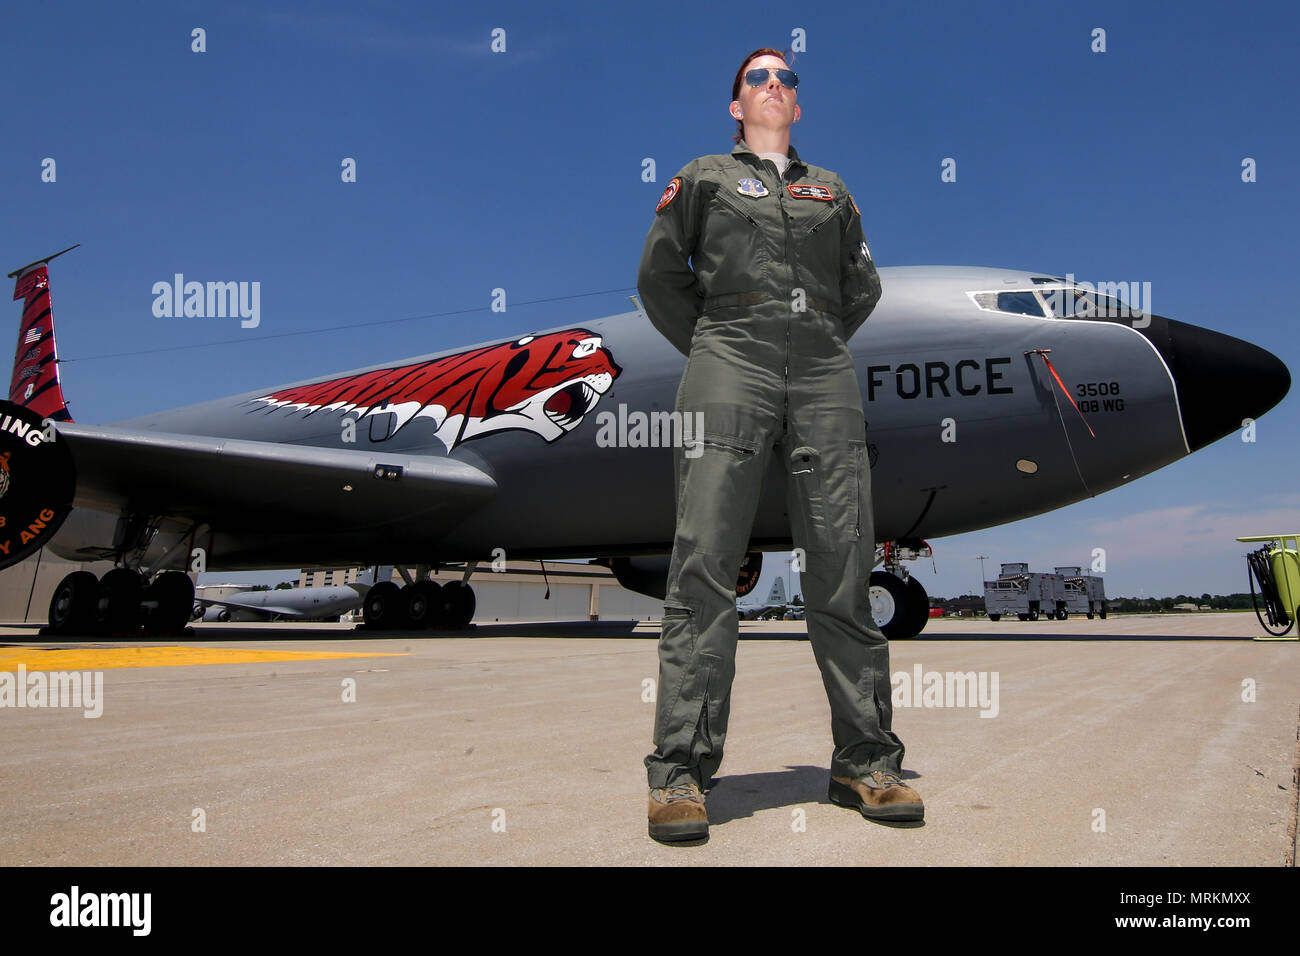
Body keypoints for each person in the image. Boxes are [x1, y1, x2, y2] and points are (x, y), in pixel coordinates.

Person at [637, 48, 923, 843]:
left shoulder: (832, 191)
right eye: (758, 78)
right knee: (705, 558)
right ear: (736, 106)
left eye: (786, 80)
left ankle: (865, 761)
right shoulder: (702, 179)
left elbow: (861, 285)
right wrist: (719, 345)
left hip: (824, 365)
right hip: (728, 351)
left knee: (842, 557)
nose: (774, 86)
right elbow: (660, 276)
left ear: (797, 106)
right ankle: (681, 774)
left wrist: (816, 340)